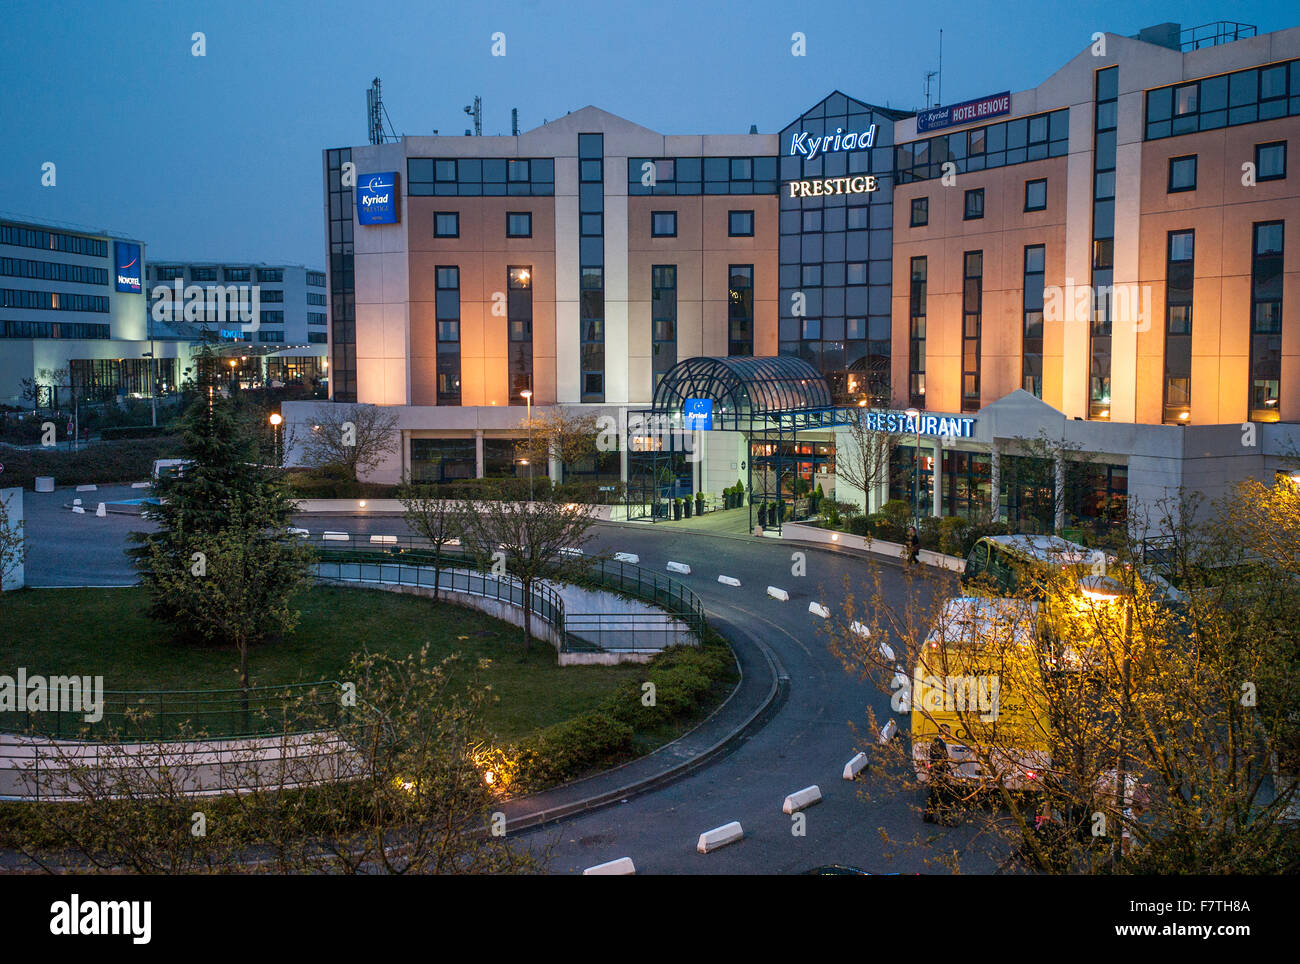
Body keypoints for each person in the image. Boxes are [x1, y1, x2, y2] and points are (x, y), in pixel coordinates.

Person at [924, 724, 954, 824]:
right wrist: (947, 770)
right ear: (942, 732)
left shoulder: (937, 742)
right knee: (944, 796)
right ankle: (945, 818)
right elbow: (940, 760)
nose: (949, 735)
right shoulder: (939, 743)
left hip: (936, 773)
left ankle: (928, 816)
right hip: (939, 773)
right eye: (948, 732)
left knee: (934, 796)